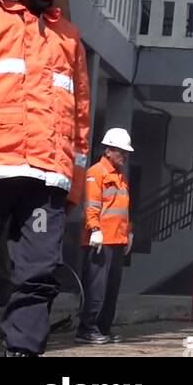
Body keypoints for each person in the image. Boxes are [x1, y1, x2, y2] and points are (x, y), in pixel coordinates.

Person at [0, 0, 91, 357]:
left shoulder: (68, 39)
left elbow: (82, 119)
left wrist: (76, 183)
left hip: (48, 178)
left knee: (38, 274)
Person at [77, 128, 134, 345]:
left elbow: (124, 209)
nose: (124, 155)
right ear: (108, 150)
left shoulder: (120, 176)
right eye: (120, 151)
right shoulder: (96, 172)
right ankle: (87, 329)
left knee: (111, 289)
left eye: (125, 152)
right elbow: (91, 204)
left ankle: (102, 329)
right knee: (96, 288)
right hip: (99, 241)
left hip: (117, 240)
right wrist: (94, 229)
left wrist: (128, 233)